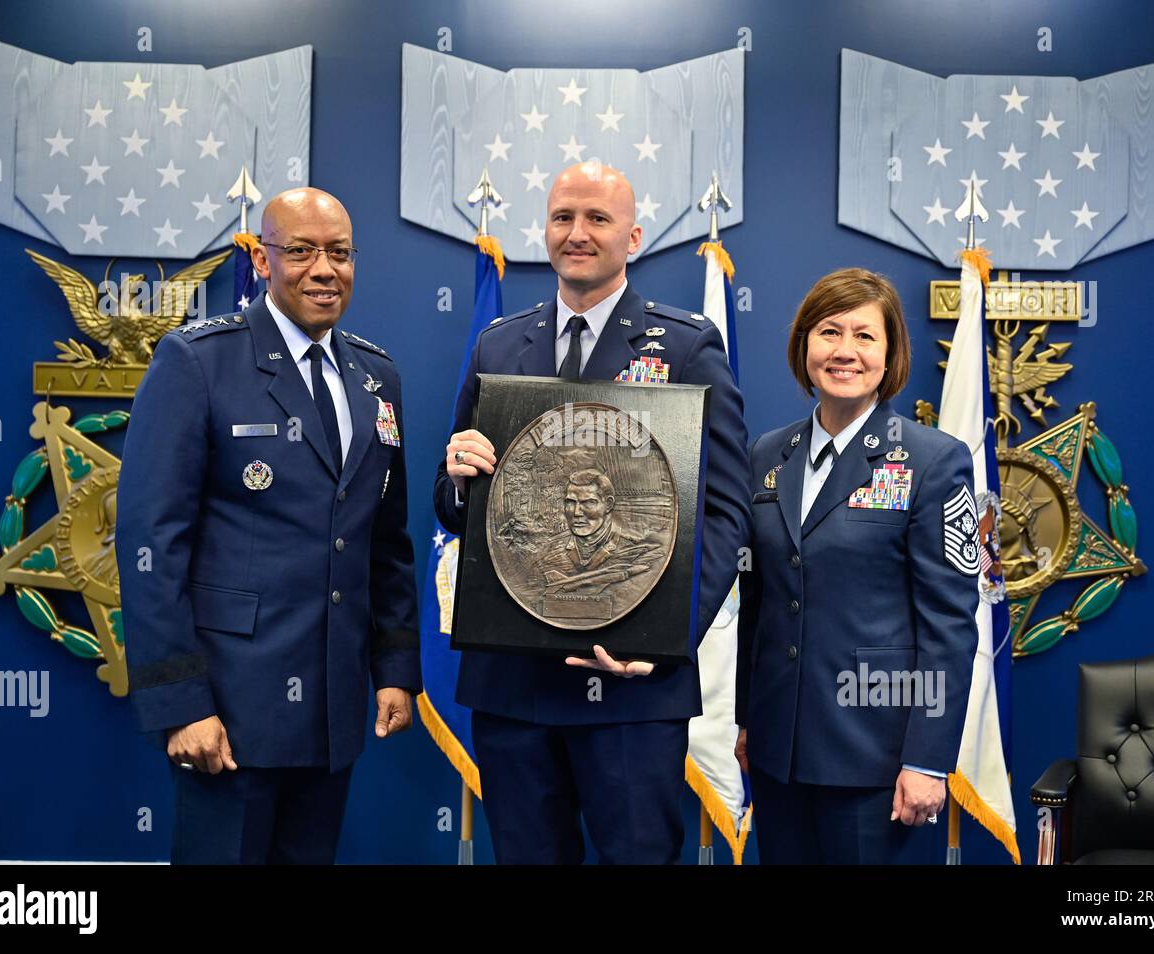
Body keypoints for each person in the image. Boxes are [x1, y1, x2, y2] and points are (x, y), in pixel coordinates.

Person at [434, 161, 750, 864]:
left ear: (633, 236)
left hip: (634, 688)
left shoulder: (689, 346)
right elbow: (459, 506)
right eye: (562, 218)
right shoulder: (497, 343)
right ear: (544, 231)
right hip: (514, 687)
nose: (577, 234)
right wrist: (458, 481)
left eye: (597, 219)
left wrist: (665, 633)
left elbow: (726, 513)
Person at [117, 187, 420, 864]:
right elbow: (151, 544)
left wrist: (395, 668)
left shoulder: (377, 377)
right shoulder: (196, 362)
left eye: (339, 253)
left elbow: (385, 537)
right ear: (261, 258)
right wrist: (180, 704)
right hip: (230, 712)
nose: (323, 269)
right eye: (301, 251)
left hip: (333, 709)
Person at [735, 267, 978, 864]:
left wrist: (926, 758)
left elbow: (948, 624)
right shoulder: (767, 454)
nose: (845, 351)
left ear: (890, 353)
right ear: (804, 347)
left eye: (865, 336)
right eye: (828, 332)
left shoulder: (933, 460)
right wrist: (747, 718)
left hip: (875, 758)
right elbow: (758, 602)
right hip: (777, 750)